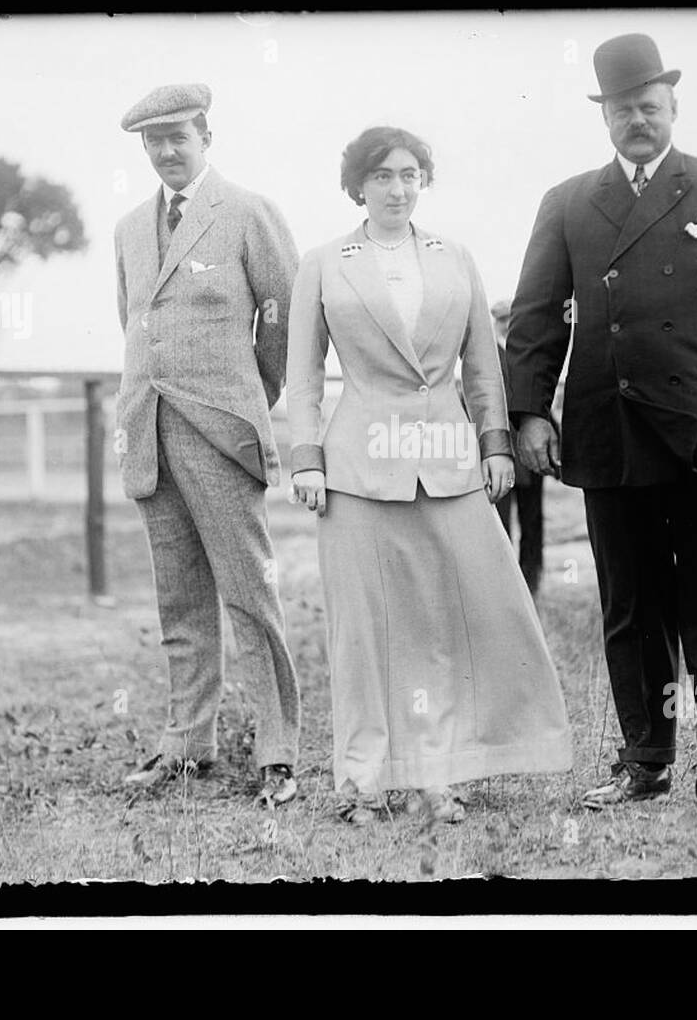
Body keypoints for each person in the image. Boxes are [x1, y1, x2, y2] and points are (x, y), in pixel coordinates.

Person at [505, 34, 697, 814]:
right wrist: (532, 411)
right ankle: (643, 762)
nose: (636, 120)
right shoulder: (568, 202)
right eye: (621, 110)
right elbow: (537, 318)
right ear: (604, 118)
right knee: (629, 606)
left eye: (649, 106)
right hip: (608, 429)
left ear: (672, 106)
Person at [285, 127, 572, 825]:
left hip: (449, 464)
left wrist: (496, 445)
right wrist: (307, 459)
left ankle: (436, 776)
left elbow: (482, 366)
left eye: (410, 174)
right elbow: (302, 376)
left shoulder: (454, 258)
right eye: (382, 176)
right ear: (358, 185)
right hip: (356, 470)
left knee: (444, 625)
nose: (398, 188)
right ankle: (362, 781)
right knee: (365, 631)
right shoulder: (325, 262)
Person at [113, 83, 301, 806]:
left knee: (249, 598)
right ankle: (187, 746)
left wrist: (245, 400)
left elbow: (283, 324)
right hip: (149, 437)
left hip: (222, 437)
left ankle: (278, 753)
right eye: (153, 142)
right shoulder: (130, 228)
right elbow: (133, 326)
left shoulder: (249, 214)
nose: (165, 152)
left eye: (178, 138)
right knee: (179, 603)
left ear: (206, 137)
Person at [490, 301, 544, 598]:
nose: (506, 324)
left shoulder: (525, 354)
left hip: (529, 452)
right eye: (502, 319)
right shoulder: (488, 357)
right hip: (502, 453)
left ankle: (531, 581)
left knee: (532, 520)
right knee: (501, 522)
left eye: (511, 319)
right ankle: (506, 586)